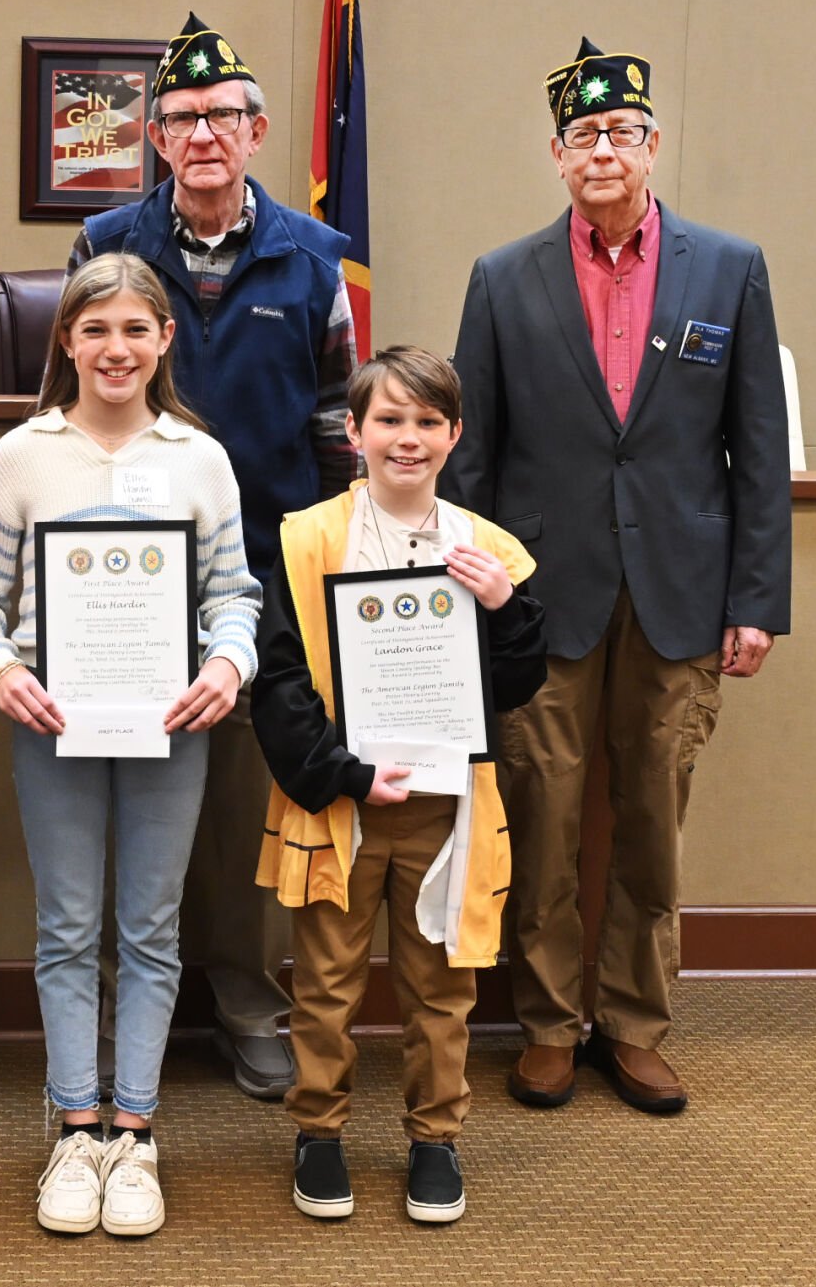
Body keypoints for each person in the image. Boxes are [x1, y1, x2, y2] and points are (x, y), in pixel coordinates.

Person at [441, 38, 792, 1114]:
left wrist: (755, 602)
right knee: (541, 818)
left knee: (650, 821)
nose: (602, 149)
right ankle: (547, 1025)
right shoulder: (502, 278)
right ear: (555, 155)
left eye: (620, 132)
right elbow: (472, 454)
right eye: (581, 135)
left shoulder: (725, 268)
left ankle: (633, 1023)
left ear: (650, 144)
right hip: (541, 597)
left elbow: (756, 449)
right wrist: (474, 594)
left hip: (681, 596)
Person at [72, 12, 358, 1100]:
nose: (202, 134)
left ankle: (245, 1003)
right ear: (154, 136)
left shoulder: (311, 257)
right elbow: (73, 393)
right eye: (182, 117)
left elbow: (337, 423)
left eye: (222, 116)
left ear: (256, 129)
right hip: (120, 574)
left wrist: (340, 562)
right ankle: (104, 1017)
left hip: (267, 575)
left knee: (241, 808)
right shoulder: (104, 248)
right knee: (112, 791)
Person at [0, 253, 261, 1237]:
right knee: (69, 928)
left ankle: (136, 1133)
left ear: (164, 340)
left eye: (134, 329)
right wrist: (1, 670)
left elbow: (232, 595)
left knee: (151, 930)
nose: (114, 348)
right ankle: (75, 1128)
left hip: (172, 720)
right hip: (57, 724)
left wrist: (226, 666)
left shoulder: (197, 458)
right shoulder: (23, 452)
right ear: (65, 341)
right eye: (94, 330)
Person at [252, 346, 546, 1225]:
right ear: (354, 432)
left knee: (441, 987)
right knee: (326, 980)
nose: (406, 438)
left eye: (426, 421)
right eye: (389, 419)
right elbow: (280, 680)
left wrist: (504, 607)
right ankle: (320, 1131)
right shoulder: (306, 537)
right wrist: (342, 772)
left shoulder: (489, 549)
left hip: (448, 807)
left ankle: (434, 1137)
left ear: (454, 435)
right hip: (343, 798)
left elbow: (521, 681)